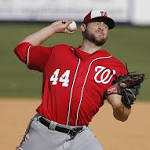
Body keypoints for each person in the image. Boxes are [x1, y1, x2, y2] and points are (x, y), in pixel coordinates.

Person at [14, 9, 131, 150]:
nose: (102, 27)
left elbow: (123, 116)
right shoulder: (58, 53)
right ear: (83, 27)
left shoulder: (116, 68)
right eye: (97, 23)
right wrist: (52, 29)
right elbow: (22, 50)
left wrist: (119, 107)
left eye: (106, 26)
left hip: (80, 136)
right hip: (44, 133)